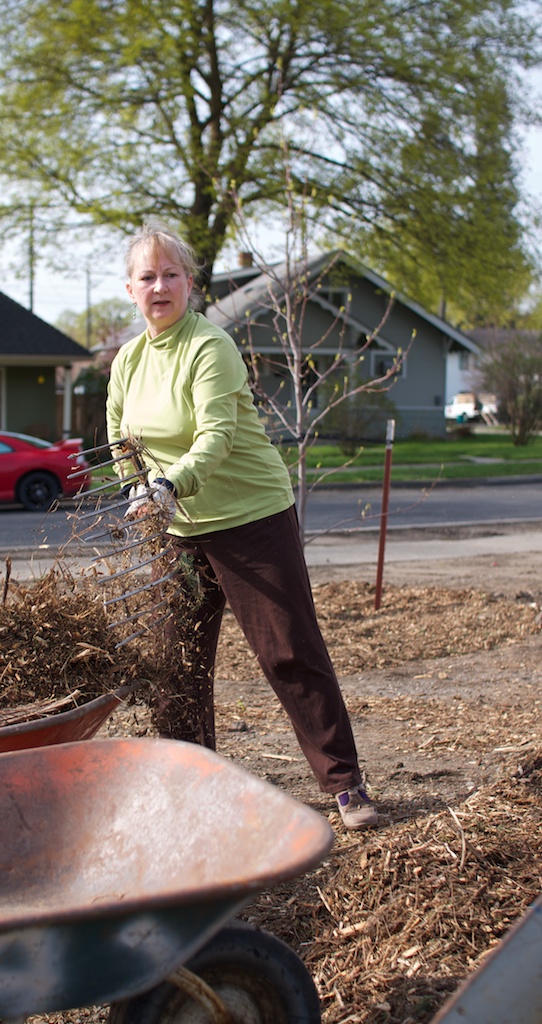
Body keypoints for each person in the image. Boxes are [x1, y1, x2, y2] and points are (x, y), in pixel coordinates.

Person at [106, 221, 379, 830]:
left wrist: (169, 485)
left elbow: (217, 438)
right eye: (147, 276)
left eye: (170, 274)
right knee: (176, 661)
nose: (159, 286)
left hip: (250, 518)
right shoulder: (127, 360)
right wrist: (135, 490)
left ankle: (345, 785)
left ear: (190, 284)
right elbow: (120, 438)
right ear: (130, 290)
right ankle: (191, 787)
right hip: (173, 526)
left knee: (287, 651)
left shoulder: (210, 347)